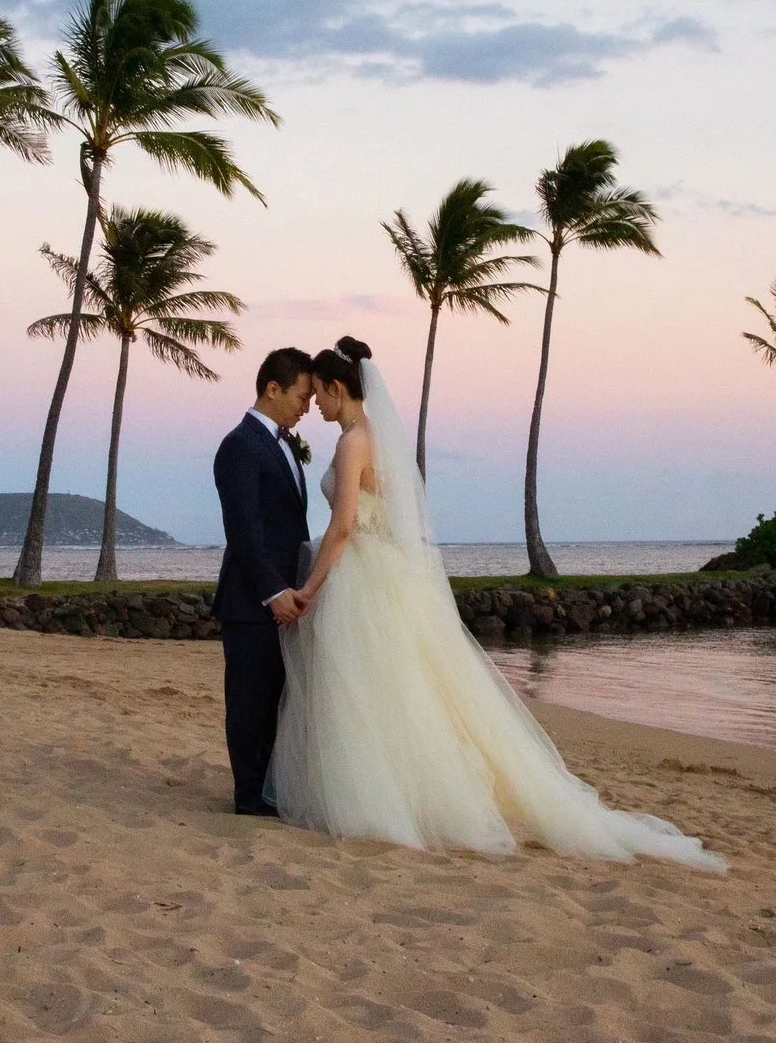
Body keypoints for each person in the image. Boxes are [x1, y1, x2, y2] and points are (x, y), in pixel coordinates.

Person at [268, 336, 725, 870]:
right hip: (379, 575)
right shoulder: (371, 438)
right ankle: (396, 792)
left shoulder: (352, 443)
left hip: (359, 578)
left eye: (318, 393)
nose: (314, 404)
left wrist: (310, 588)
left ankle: (378, 801)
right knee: (391, 692)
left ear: (336, 388)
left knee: (365, 692)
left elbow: (343, 526)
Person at [210, 346, 315, 816]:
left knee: (278, 698)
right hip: (251, 602)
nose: (307, 406)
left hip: (287, 598)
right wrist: (274, 592)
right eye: (301, 395)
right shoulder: (239, 446)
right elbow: (245, 530)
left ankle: (270, 788)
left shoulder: (282, 444)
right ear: (272, 388)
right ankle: (249, 795)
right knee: (250, 702)